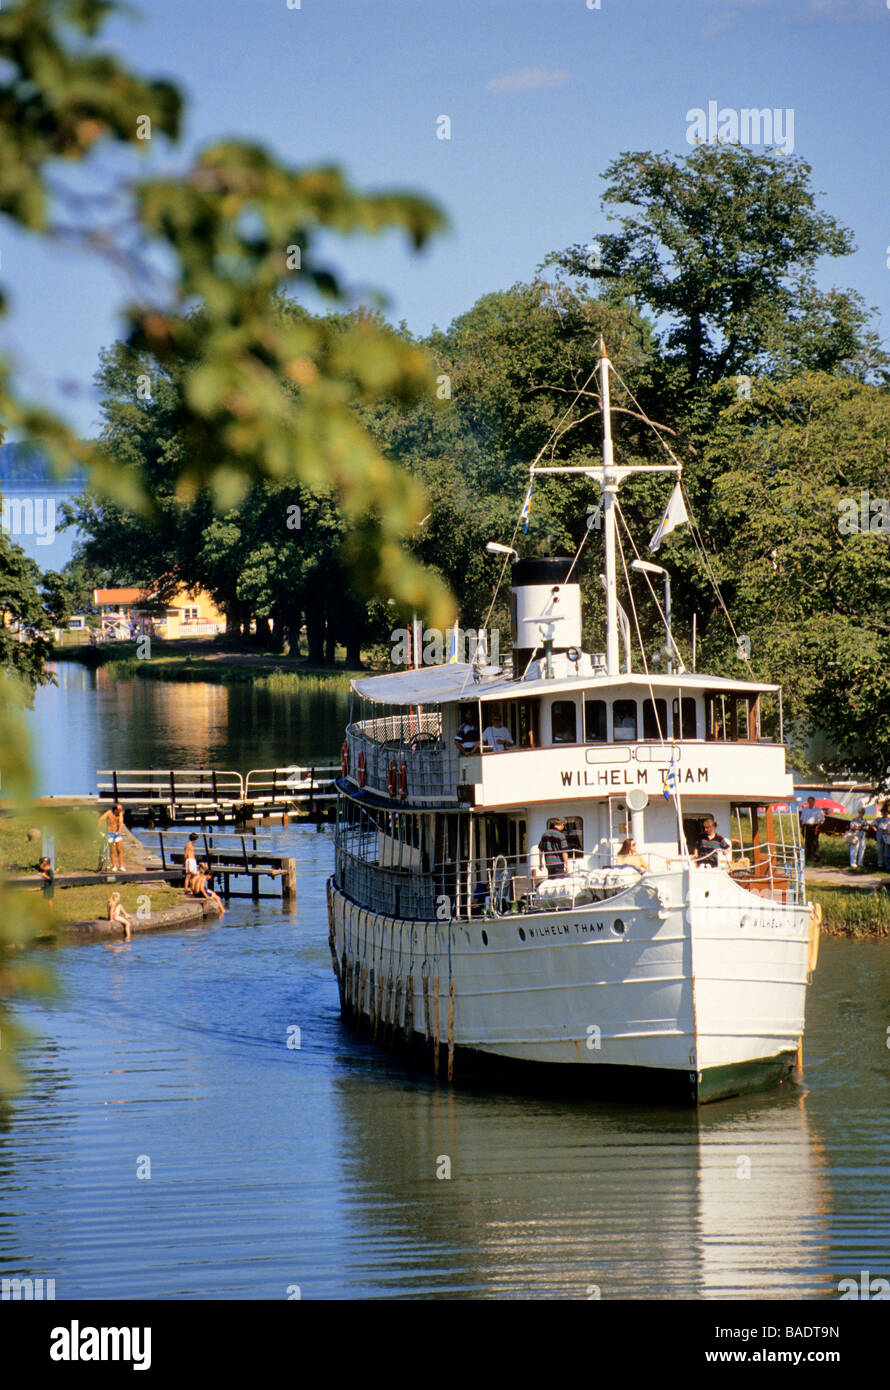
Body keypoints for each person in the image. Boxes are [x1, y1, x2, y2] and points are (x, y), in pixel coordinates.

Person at [98, 802, 126, 870]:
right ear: (115, 810)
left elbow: (121, 822)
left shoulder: (120, 814)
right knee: (112, 850)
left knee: (119, 850)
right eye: (119, 810)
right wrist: (98, 830)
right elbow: (100, 819)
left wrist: (119, 831)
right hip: (110, 833)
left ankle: (121, 865)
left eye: (121, 810)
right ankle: (114, 865)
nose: (120, 811)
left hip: (117, 833)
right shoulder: (109, 813)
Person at [799, 796, 825, 865]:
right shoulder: (804, 809)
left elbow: (822, 820)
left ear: (814, 802)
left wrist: (818, 825)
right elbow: (802, 819)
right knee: (807, 842)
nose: (810, 803)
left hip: (814, 826)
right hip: (806, 826)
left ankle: (816, 857)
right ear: (807, 802)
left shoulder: (818, 809)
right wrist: (801, 827)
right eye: (809, 801)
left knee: (814, 842)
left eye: (811, 801)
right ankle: (808, 857)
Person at [848, 807, 869, 871]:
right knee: (854, 850)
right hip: (855, 836)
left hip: (862, 836)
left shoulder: (865, 820)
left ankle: (860, 863)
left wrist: (860, 827)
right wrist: (858, 827)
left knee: (862, 850)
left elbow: (867, 828)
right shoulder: (854, 819)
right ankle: (853, 863)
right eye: (860, 813)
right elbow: (851, 827)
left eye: (862, 813)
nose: (861, 814)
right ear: (858, 813)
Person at [875, 801, 890, 872]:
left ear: (887, 813)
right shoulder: (879, 819)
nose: (884, 813)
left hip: (886, 836)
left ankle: (886, 864)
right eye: (883, 812)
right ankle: (880, 864)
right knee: (880, 850)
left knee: (886, 851)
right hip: (879, 836)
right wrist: (875, 830)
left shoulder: (889, 820)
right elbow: (871, 824)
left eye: (885, 812)